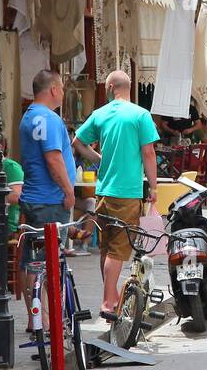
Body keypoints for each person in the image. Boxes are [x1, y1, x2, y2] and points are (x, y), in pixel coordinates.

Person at [72, 69, 159, 321]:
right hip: (127, 193)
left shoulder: (100, 114)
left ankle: (109, 295)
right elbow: (149, 153)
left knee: (107, 248)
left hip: (102, 193)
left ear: (110, 87)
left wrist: (100, 160)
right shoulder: (140, 115)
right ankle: (109, 303)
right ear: (128, 87)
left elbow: (77, 142)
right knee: (118, 250)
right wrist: (153, 187)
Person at [18, 70, 78, 324]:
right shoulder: (50, 119)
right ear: (53, 89)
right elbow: (53, 159)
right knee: (49, 262)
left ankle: (35, 318)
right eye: (62, 88)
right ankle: (46, 319)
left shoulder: (28, 117)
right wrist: (69, 191)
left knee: (31, 261)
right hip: (51, 200)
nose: (63, 93)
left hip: (33, 197)